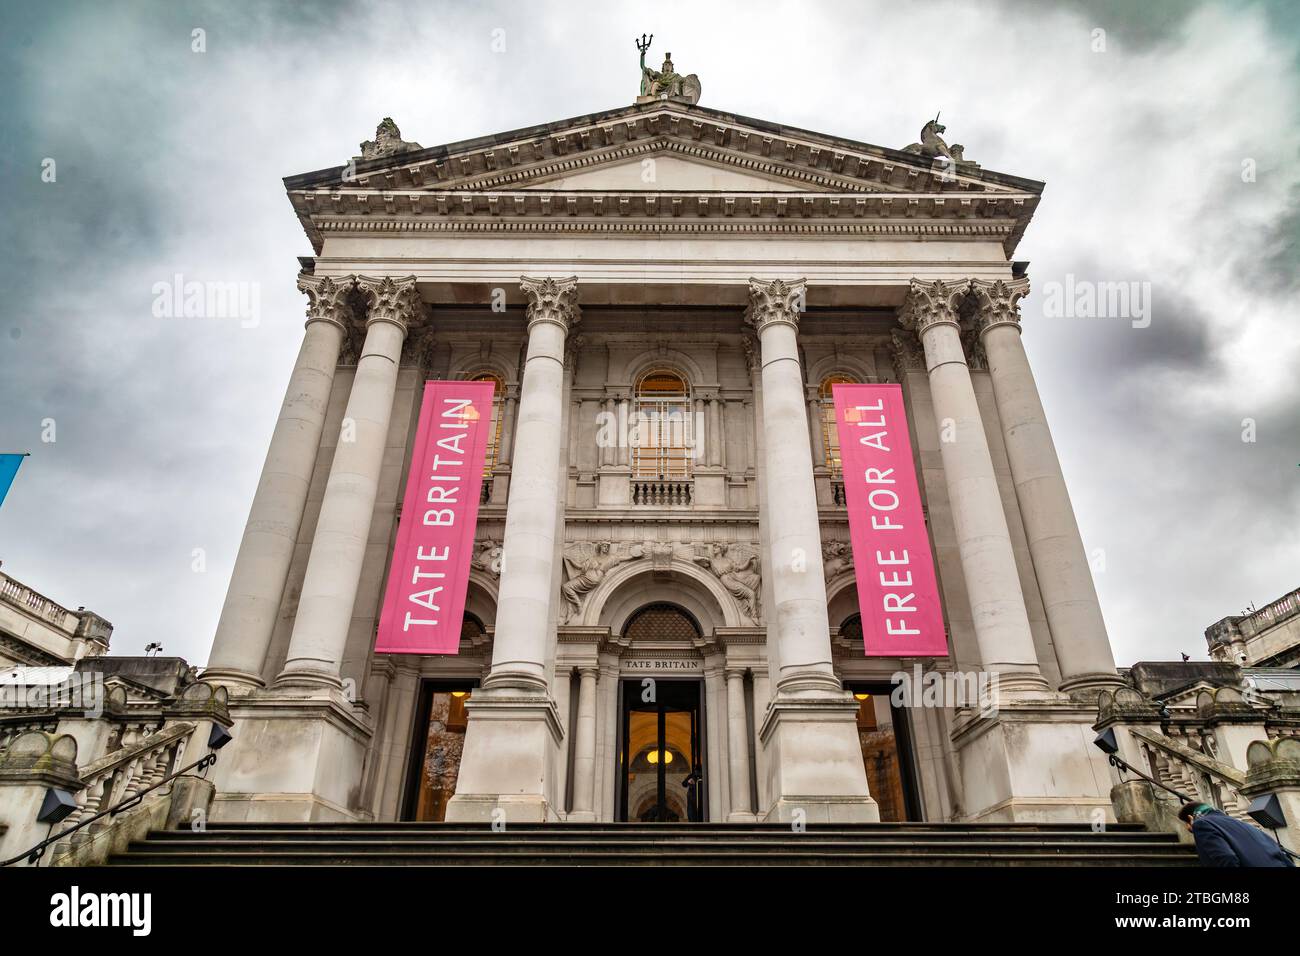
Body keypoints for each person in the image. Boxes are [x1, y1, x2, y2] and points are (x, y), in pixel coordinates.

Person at [1178, 802, 1294, 867]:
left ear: (1190, 818)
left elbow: (1226, 858)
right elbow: (1278, 850)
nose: (1187, 827)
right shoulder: (1239, 823)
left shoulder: (1201, 824)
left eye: (1185, 824)